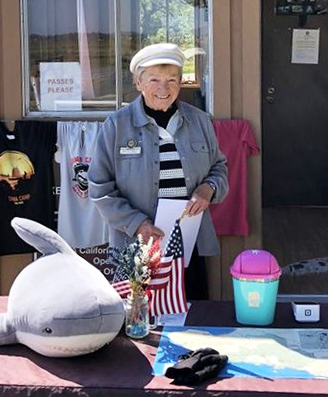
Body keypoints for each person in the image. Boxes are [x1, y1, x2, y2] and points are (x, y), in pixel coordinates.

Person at [88, 43, 228, 300]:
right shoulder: (117, 126)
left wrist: (208, 189)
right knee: (140, 319)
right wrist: (138, 224)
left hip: (188, 242)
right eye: (154, 79)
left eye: (171, 79)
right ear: (139, 83)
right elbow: (99, 189)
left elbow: (219, 167)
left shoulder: (199, 121)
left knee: (191, 315)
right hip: (137, 245)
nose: (164, 88)